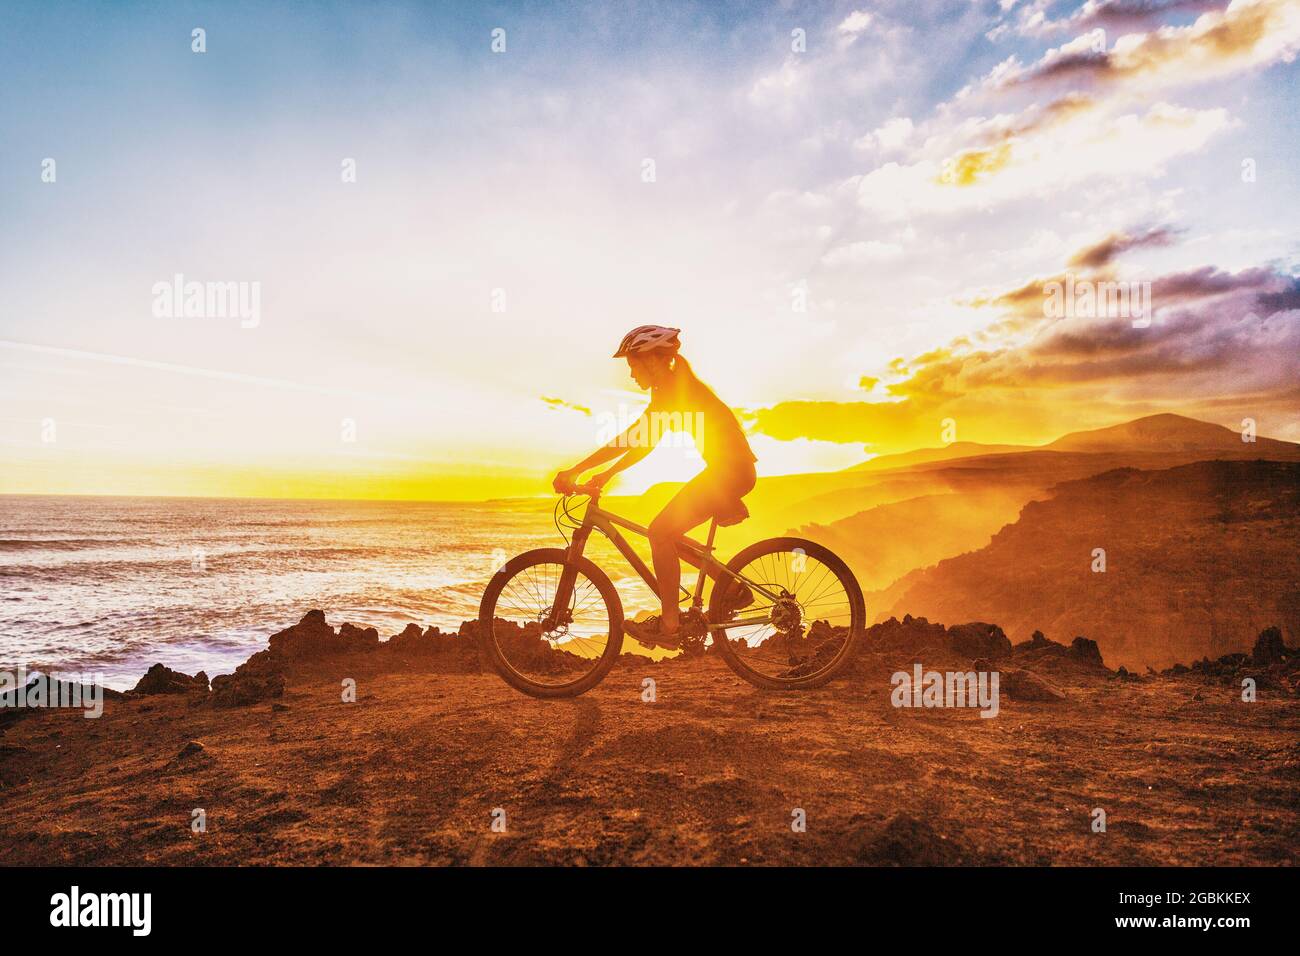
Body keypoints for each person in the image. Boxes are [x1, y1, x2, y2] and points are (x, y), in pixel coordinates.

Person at [553, 325, 757, 648]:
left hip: (727, 473)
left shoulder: (675, 389)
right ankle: (731, 588)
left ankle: (670, 625)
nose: (631, 374)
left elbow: (636, 438)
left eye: (632, 365)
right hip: (729, 472)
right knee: (667, 534)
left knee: (659, 532)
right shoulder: (671, 388)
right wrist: (606, 474)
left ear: (651, 360)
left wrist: (578, 469)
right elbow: (643, 440)